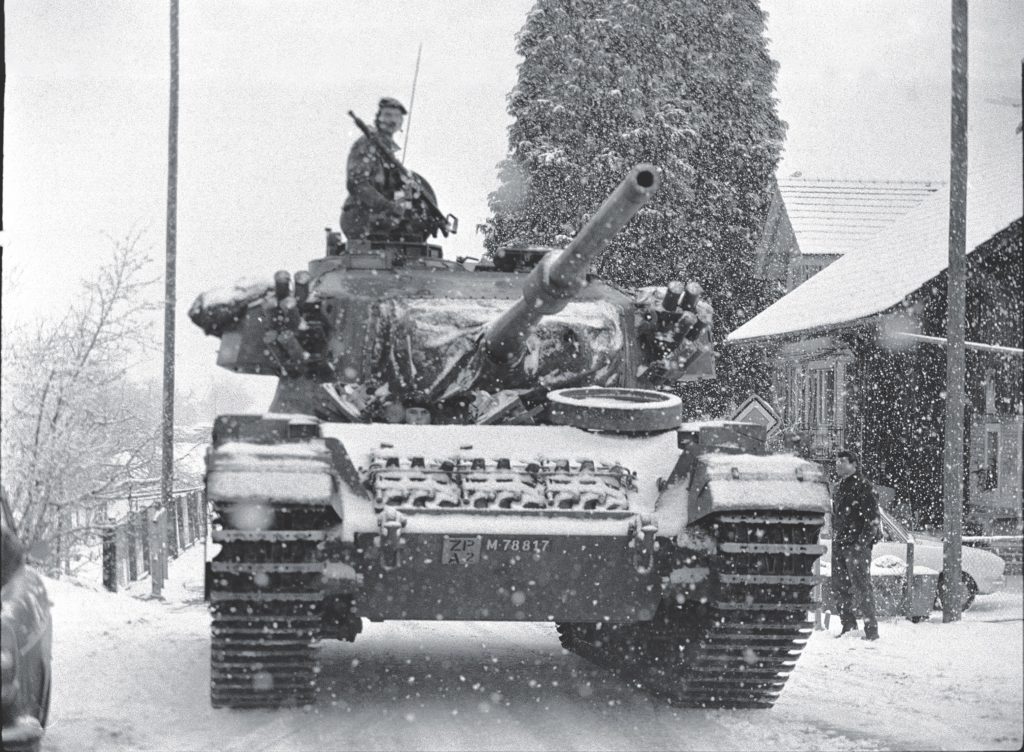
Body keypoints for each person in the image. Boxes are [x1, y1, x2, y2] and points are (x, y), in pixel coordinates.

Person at [340, 97, 433, 242]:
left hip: (382, 224)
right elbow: (357, 183)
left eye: (397, 116)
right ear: (378, 118)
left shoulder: (388, 152)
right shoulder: (367, 144)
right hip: (361, 219)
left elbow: (395, 190)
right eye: (388, 115)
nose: (393, 121)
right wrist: (387, 206)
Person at [831, 449, 881, 641]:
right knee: (839, 586)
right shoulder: (840, 487)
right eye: (837, 461)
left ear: (854, 465)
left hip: (855, 545)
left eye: (843, 461)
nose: (838, 464)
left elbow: (873, 520)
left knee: (861, 587)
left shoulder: (864, 486)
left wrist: (861, 543)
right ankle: (848, 625)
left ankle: (871, 630)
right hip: (840, 543)